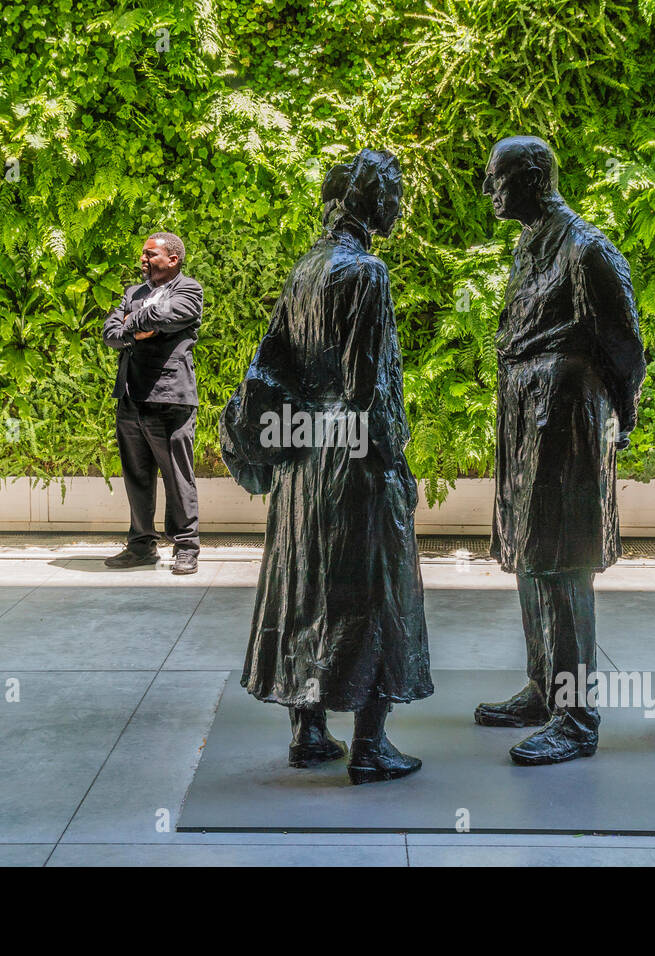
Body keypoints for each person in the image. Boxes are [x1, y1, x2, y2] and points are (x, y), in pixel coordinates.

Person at [219, 149, 433, 784]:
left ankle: (308, 730)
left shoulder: (307, 268)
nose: (399, 204)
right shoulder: (366, 274)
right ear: (366, 197)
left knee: (306, 585)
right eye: (393, 192)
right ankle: (370, 744)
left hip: (303, 457)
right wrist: (396, 465)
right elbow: (372, 388)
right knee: (373, 591)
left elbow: (276, 366)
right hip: (354, 456)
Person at [475, 135, 647, 765]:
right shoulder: (530, 243)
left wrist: (618, 421)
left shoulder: (586, 247)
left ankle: (576, 716)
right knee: (530, 552)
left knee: (565, 560)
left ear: (531, 176)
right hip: (528, 413)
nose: (489, 191)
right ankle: (546, 687)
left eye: (497, 179)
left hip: (569, 417)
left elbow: (625, 345)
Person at [102, 233, 204, 575]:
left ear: (172, 259)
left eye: (150, 254)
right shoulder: (134, 293)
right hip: (131, 396)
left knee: (178, 476)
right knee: (137, 475)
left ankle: (186, 546)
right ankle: (141, 545)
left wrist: (133, 322)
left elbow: (165, 317)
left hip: (170, 397)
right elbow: (110, 334)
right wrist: (138, 326)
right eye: (143, 255)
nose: (143, 260)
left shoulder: (190, 290)